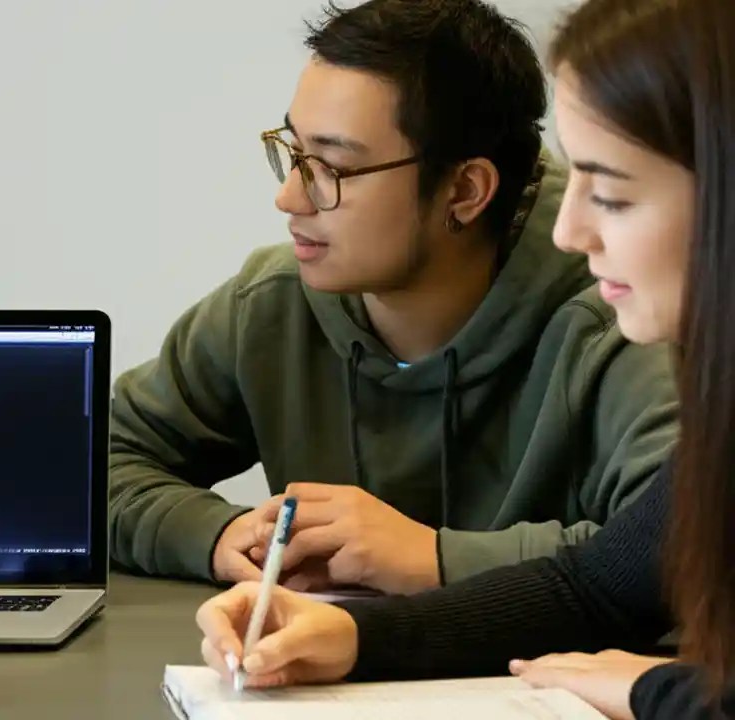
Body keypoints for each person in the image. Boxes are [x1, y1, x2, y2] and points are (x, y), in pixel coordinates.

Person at [194, 0, 735, 716]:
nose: (570, 231)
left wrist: (657, 691)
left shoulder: (608, 335)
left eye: (609, 193)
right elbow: (599, 586)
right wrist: (356, 636)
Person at [109, 0, 678, 595]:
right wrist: (220, 534)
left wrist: (430, 557)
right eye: (294, 151)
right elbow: (96, 463)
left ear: (464, 189)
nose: (289, 198)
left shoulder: (623, 319)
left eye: (330, 166)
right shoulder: (271, 303)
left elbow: (683, 549)